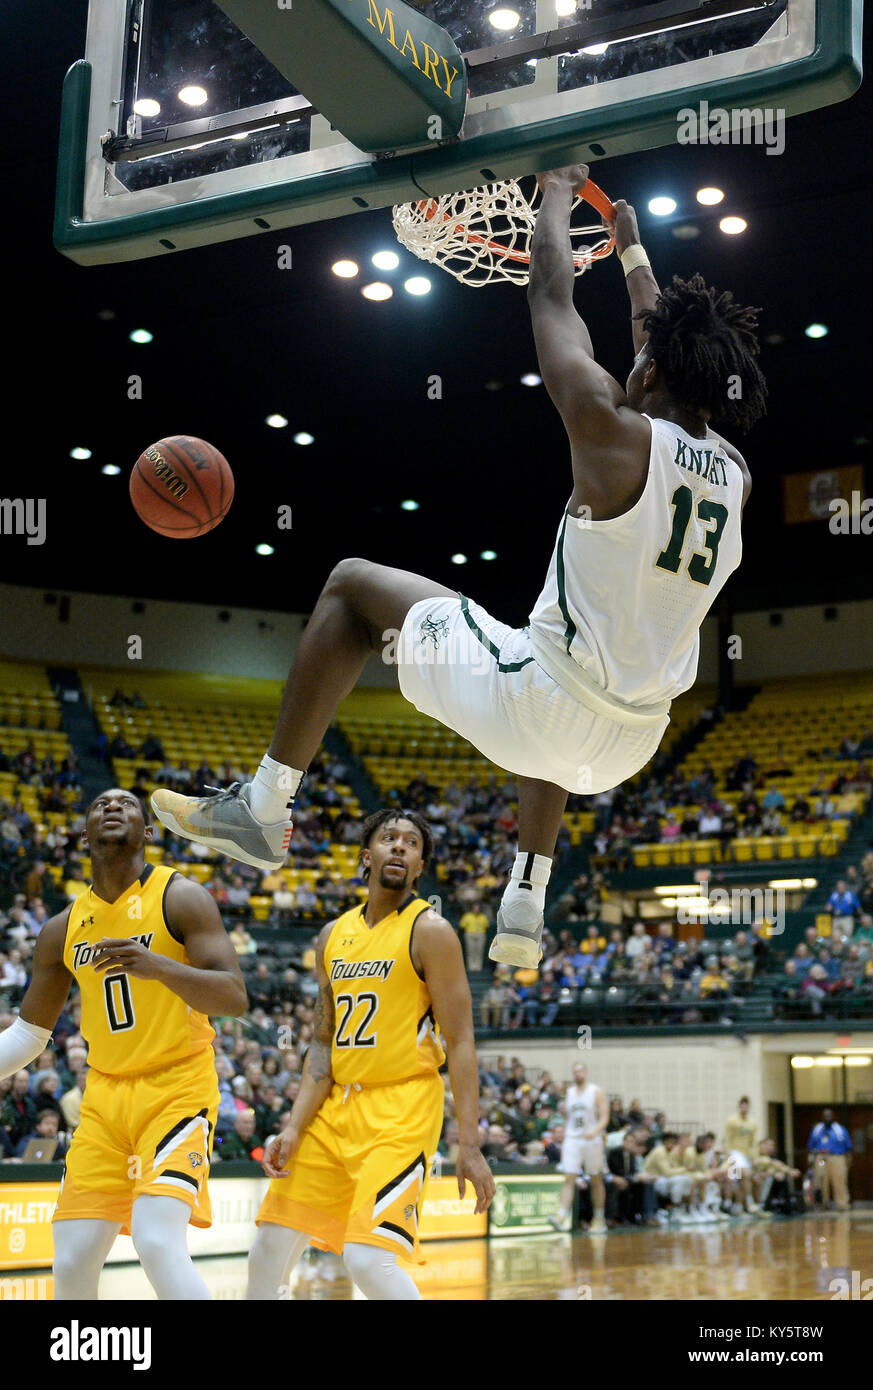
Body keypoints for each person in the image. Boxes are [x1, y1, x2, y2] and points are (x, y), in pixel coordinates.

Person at [149, 166, 762, 974]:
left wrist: (552, 189)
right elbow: (656, 340)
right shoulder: (737, 472)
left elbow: (550, 298)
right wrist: (630, 249)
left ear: (648, 371)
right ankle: (524, 900)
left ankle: (263, 807)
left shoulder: (609, 431)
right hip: (629, 743)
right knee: (539, 651)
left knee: (351, 586)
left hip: (543, 706)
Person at [0, 788, 247, 1300]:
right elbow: (28, 1036)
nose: (113, 806)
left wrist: (159, 966)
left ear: (149, 832)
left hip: (178, 1088)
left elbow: (234, 997)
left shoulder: (179, 897)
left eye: (127, 804)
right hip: (104, 1102)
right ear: (84, 836)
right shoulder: (61, 929)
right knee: (70, 1258)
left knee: (157, 1241)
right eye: (100, 804)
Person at [245, 809, 494, 1301]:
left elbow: (461, 1041)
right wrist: (294, 1127)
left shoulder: (432, 931)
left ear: (421, 866)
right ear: (367, 856)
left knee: (368, 1259)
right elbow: (321, 1043)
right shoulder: (331, 937)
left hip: (402, 1110)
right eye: (389, 838)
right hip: (336, 1111)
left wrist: (469, 1142)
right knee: (267, 1250)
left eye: (411, 843)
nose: (399, 847)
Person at [549, 1062, 609, 1234]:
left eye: (581, 1070)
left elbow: (604, 1117)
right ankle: (561, 1215)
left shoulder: (596, 1091)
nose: (578, 1074)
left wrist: (596, 1131)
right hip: (573, 1138)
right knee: (569, 1177)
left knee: (595, 1178)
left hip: (592, 1139)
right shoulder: (569, 1093)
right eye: (575, 1071)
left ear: (586, 1072)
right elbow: (569, 1117)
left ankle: (599, 1217)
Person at [808, 1107, 852, 1211]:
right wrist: (811, 1159)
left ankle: (842, 1204)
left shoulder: (840, 1129)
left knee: (839, 1180)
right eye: (825, 1115)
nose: (827, 1117)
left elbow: (848, 1147)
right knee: (821, 1179)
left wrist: (849, 1161)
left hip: (837, 1158)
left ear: (833, 1116)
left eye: (829, 1115)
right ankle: (823, 1204)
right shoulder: (817, 1129)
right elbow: (811, 1146)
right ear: (822, 1117)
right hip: (822, 1159)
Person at [723, 1096, 761, 1215]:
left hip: (746, 1155)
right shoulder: (732, 1121)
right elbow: (727, 1139)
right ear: (739, 1106)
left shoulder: (752, 1123)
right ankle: (749, 1201)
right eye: (742, 1105)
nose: (744, 1107)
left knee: (742, 1179)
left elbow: (753, 1142)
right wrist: (729, 1155)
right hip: (734, 1153)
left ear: (749, 1107)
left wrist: (755, 1157)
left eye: (747, 1105)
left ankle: (738, 1206)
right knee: (745, 1174)